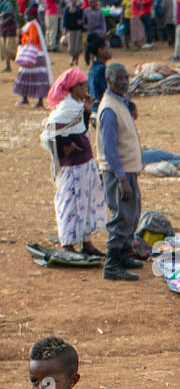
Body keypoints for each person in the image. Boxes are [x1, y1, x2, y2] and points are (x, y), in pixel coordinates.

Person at [41, 67, 105, 256]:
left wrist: (86, 111)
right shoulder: (67, 106)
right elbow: (49, 133)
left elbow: (80, 128)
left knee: (85, 200)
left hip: (84, 162)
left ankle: (86, 242)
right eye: (82, 85)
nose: (85, 88)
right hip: (72, 164)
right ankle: (68, 244)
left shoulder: (76, 105)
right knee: (69, 202)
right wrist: (64, 146)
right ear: (73, 87)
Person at [93, 62, 142, 281]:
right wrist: (121, 178)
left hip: (127, 169)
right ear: (109, 81)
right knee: (121, 217)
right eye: (118, 79)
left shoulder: (120, 103)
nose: (123, 82)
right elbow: (109, 148)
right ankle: (112, 265)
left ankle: (122, 255)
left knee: (131, 214)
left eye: (126, 78)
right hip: (117, 172)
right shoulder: (109, 110)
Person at [13, 10, 50, 107]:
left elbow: (32, 40)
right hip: (34, 55)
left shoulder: (32, 26)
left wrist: (23, 38)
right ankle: (27, 99)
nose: (26, 16)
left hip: (35, 55)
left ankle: (36, 101)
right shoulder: (31, 25)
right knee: (30, 77)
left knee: (31, 77)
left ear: (33, 15)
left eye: (28, 14)